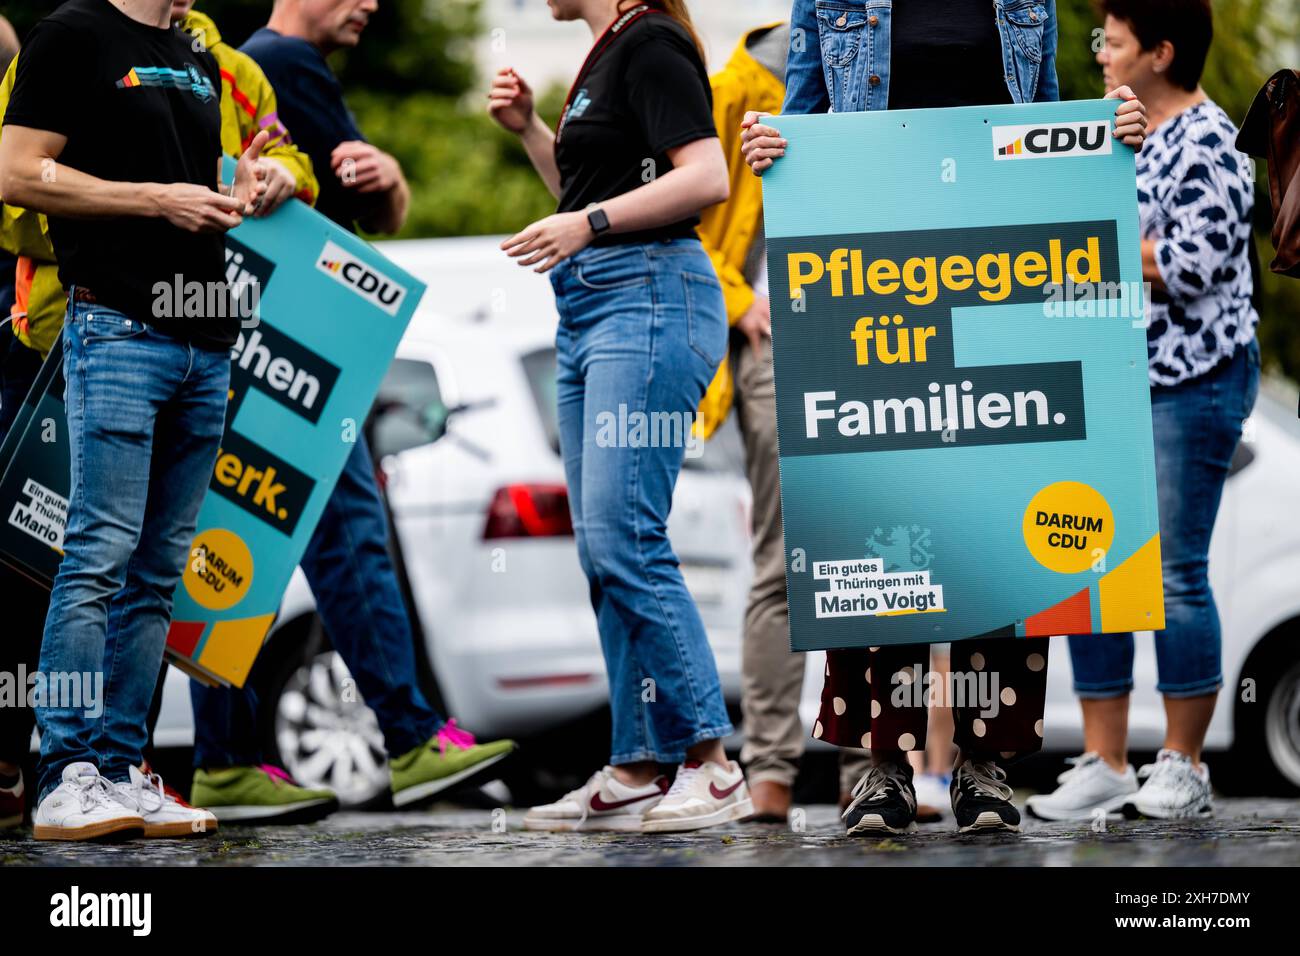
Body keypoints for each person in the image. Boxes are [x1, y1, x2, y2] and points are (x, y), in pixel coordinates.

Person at [741, 0, 1148, 835]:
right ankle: (882, 770)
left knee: (995, 508)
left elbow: (1047, 129)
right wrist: (773, 147)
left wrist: (1108, 134)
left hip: (996, 265)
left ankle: (986, 769)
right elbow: (806, 122)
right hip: (871, 272)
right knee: (879, 512)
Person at [181, 0, 515, 825]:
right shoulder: (275, 68)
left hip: (271, 349)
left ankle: (227, 760)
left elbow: (373, 219)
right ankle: (402, 738)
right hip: (298, 353)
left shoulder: (280, 71)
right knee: (340, 545)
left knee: (242, 546)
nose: (370, 3)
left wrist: (393, 178)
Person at [0, 0, 322, 833]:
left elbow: (191, 185)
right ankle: (65, 773)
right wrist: (156, 200)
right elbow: (15, 171)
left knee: (154, 574)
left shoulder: (194, 55)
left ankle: (119, 766)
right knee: (98, 552)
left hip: (206, 340)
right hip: (115, 328)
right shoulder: (70, 35)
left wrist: (239, 186)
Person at [489, 0, 750, 833]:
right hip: (596, 306)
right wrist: (534, 130)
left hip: (649, 300)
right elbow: (591, 197)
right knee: (605, 550)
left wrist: (588, 221)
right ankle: (637, 764)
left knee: (623, 538)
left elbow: (705, 178)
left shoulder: (651, 41)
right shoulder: (604, 52)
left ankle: (711, 763)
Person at [1027, 0, 1259, 822]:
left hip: (1193, 380)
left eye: (1114, 41)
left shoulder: (1213, 142)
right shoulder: (1109, 134)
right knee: (1088, 566)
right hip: (1105, 378)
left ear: (1159, 53)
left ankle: (1185, 764)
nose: (1100, 53)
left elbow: (1193, 264)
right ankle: (1104, 760)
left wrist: (1083, 249)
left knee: (1172, 574)